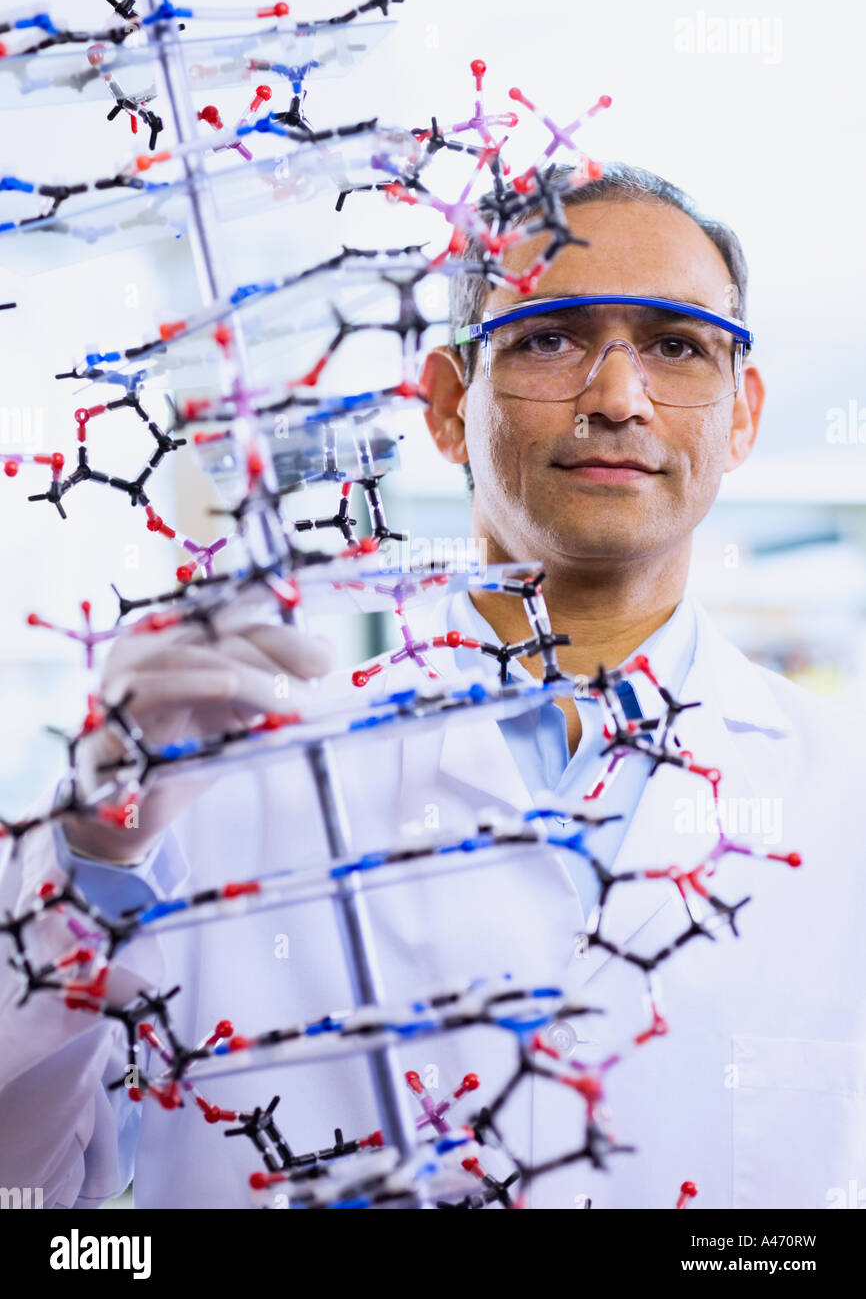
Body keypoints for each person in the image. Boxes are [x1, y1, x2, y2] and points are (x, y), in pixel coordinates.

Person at [2, 164, 864, 1210]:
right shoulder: (214, 777)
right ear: (449, 406)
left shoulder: (840, 795)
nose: (616, 397)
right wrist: (86, 862)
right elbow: (38, 1206)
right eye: (548, 337)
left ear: (739, 415)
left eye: (675, 345)